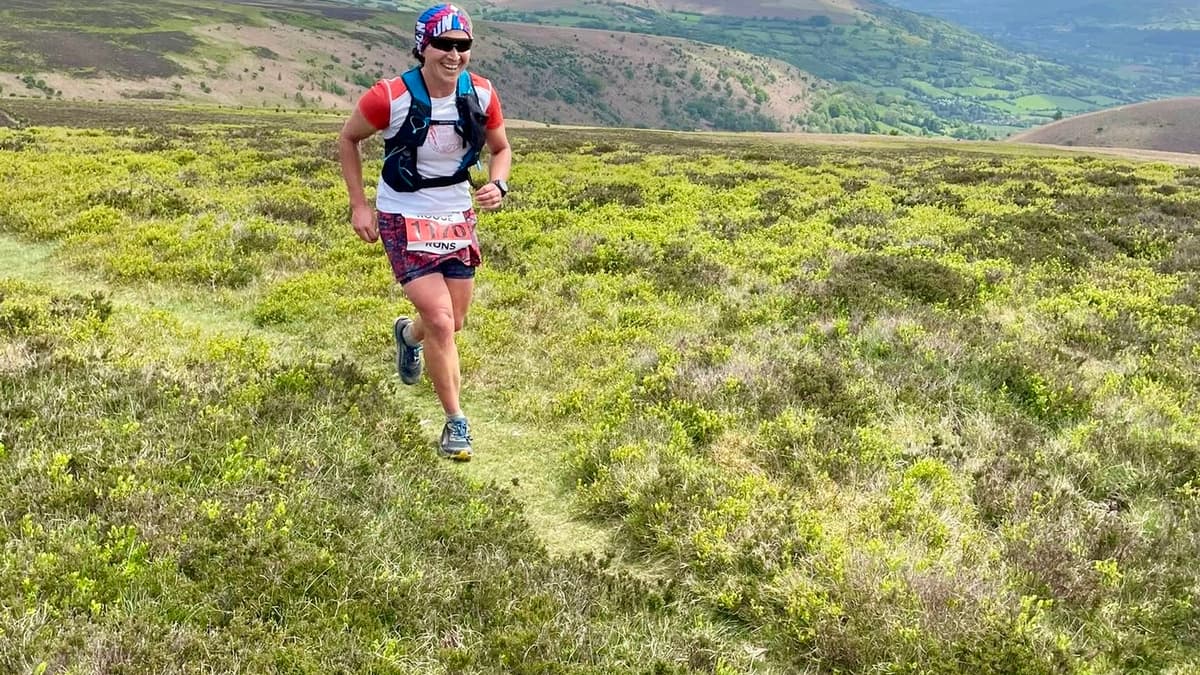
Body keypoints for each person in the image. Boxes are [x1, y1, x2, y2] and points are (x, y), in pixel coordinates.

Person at [337, 3, 511, 462]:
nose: (454, 54)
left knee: (454, 321)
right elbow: (348, 139)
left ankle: (408, 337)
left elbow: (501, 148)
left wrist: (498, 184)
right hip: (402, 213)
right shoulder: (388, 96)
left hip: (456, 213)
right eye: (444, 45)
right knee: (440, 320)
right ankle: (456, 422)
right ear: (423, 47)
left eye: (463, 45)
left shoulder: (482, 95)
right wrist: (359, 205)